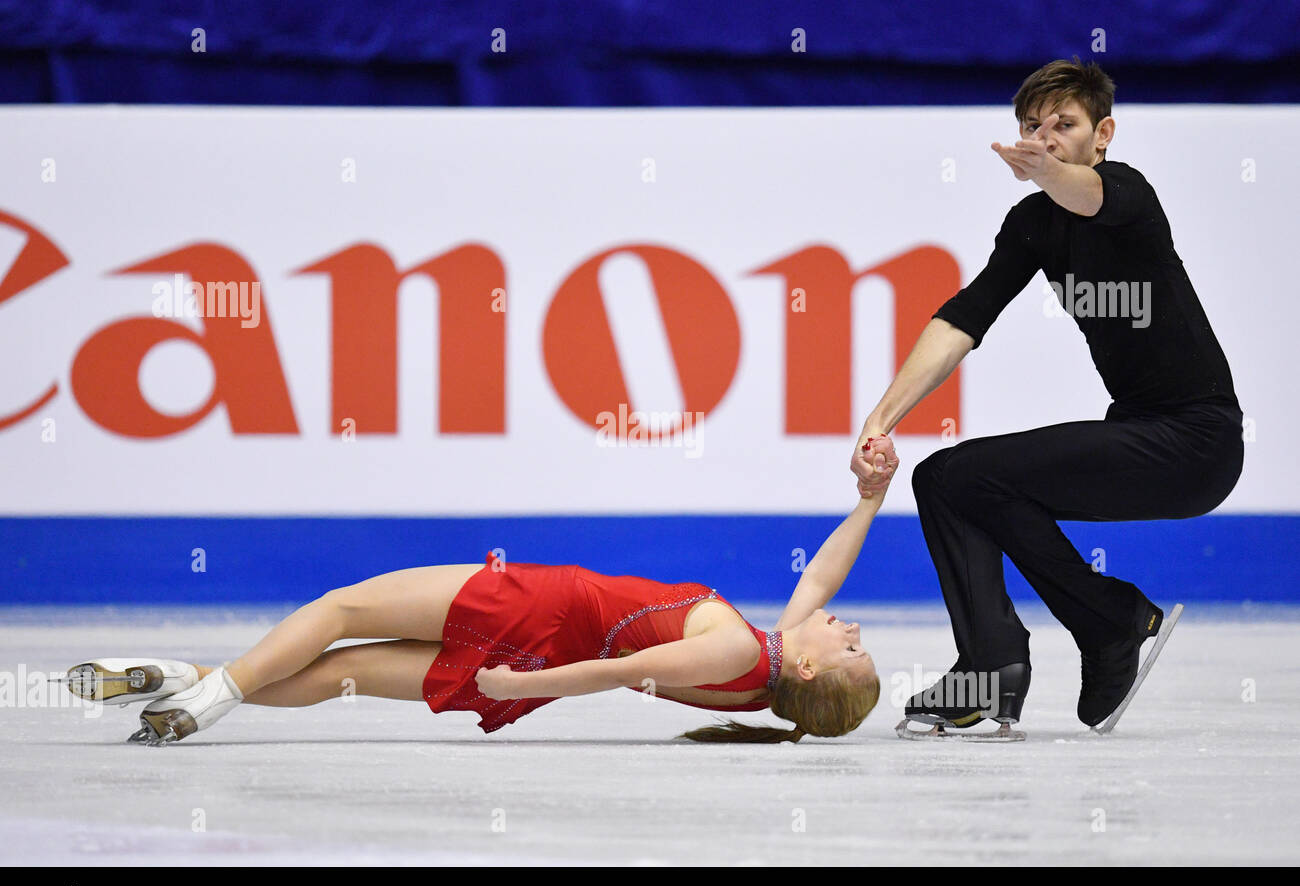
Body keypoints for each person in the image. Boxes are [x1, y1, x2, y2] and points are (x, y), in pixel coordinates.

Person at [852, 57, 1243, 735]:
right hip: (1141, 434)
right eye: (1033, 126)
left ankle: (1101, 624)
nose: (1046, 137)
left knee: (962, 476)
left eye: (1064, 124)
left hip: (1196, 440)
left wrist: (1046, 169)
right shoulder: (1033, 224)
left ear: (1104, 134)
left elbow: (1083, 191)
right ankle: (1023, 654)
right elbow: (962, 319)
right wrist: (878, 420)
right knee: (951, 481)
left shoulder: (1127, 195)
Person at [66, 439, 900, 745]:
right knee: (335, 675)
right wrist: (869, 498)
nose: (852, 627)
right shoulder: (760, 686)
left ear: (815, 672)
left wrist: (520, 683)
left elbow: (615, 676)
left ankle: (206, 695)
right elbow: (823, 574)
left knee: (339, 610)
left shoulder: (741, 650)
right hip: (539, 652)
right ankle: (191, 685)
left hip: (538, 612)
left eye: (853, 649)